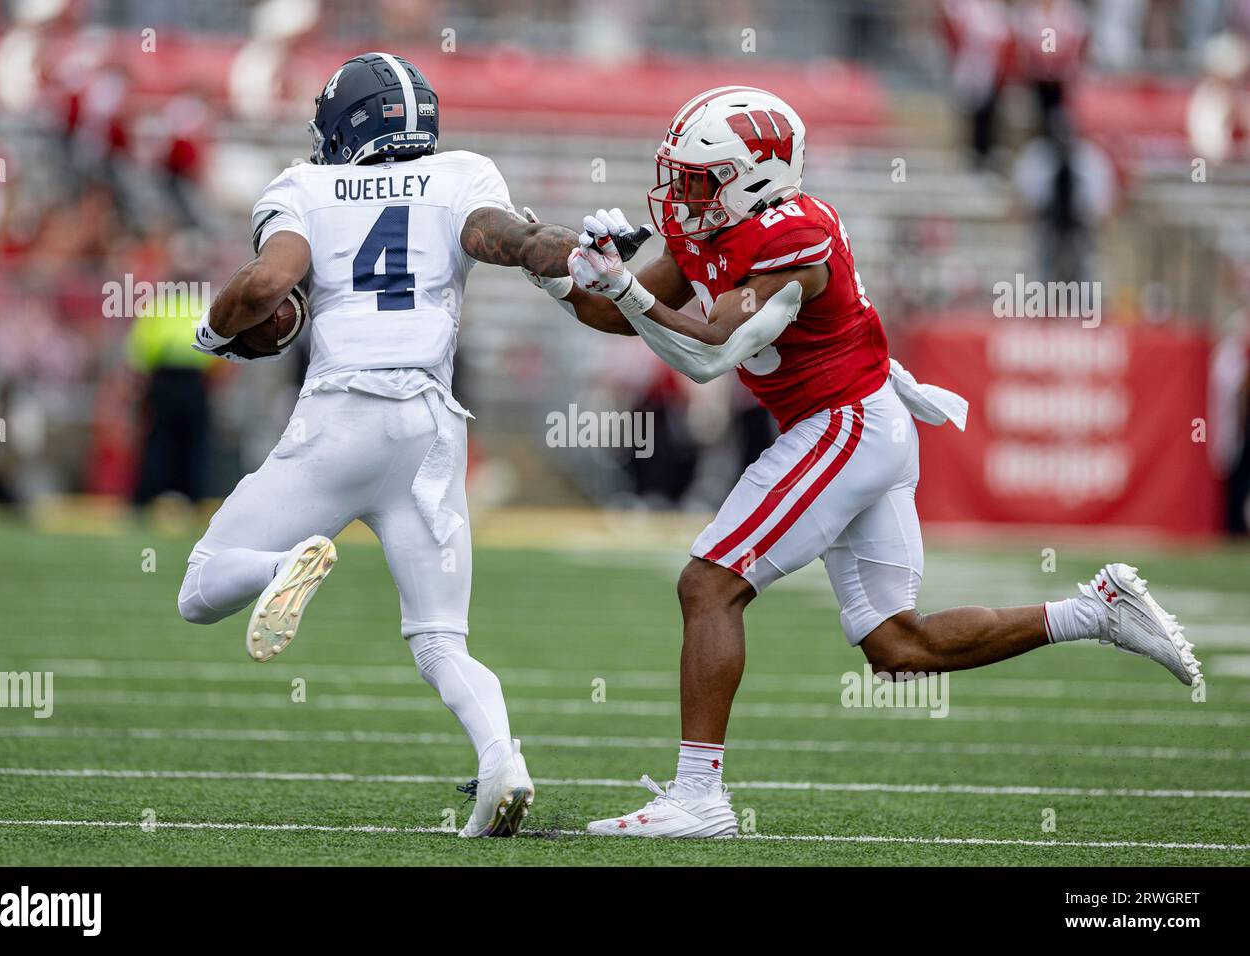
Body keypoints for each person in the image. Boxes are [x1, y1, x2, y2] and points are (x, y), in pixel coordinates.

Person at [527, 86, 1202, 838]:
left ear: (754, 177)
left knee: (709, 583)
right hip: (851, 421)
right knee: (898, 646)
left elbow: (708, 351)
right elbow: (621, 316)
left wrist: (620, 287)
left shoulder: (792, 241)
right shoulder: (717, 226)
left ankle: (699, 797)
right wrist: (572, 274)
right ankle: (1094, 611)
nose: (681, 193)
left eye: (697, 177)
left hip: (842, 423)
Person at [179, 53, 584, 838]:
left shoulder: (306, 185)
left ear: (343, 124)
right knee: (440, 638)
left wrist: (215, 332)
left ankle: (283, 565)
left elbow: (265, 288)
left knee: (199, 590)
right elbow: (514, 242)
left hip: (343, 417)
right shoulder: (460, 173)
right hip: (430, 430)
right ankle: (502, 759)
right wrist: (575, 250)